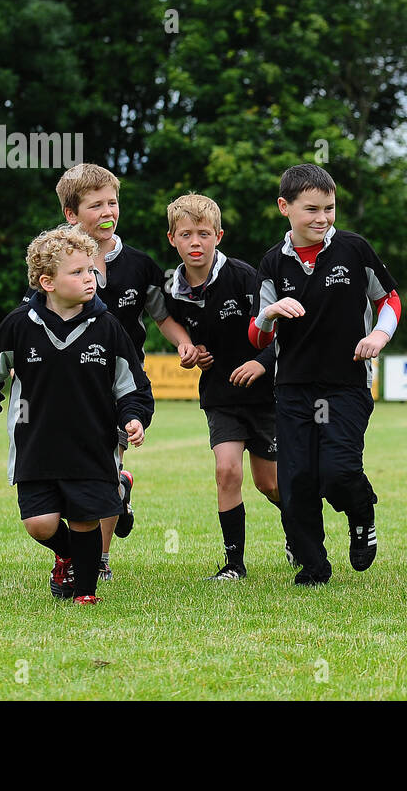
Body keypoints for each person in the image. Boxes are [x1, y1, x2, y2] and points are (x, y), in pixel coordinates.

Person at [0, 225, 153, 604]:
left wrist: (133, 417)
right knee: (39, 524)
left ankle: (85, 592)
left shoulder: (107, 327)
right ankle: (66, 554)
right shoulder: (19, 325)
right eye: (78, 272)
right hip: (35, 446)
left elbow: (131, 385)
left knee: (85, 519)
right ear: (47, 282)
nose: (90, 278)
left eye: (91, 270)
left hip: (91, 445)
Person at [251, 163, 401, 586]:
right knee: (296, 478)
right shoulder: (272, 263)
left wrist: (379, 334)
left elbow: (390, 298)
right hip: (293, 386)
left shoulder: (354, 249)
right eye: (311, 209)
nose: (322, 218)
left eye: (329, 209)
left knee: (337, 470)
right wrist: (270, 312)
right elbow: (258, 336)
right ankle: (313, 564)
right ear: (285, 207)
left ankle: (361, 513)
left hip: (346, 383)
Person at [54, 163, 198, 581]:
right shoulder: (58, 261)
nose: (107, 211)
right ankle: (112, 501)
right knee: (70, 471)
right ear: (71, 215)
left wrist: (183, 343)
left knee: (103, 469)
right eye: (95, 204)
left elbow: (161, 315)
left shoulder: (139, 264)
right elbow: (37, 320)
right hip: (69, 387)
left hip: (122, 386)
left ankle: (97, 559)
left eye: (112, 202)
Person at [161, 193, 283, 581]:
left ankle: (301, 536)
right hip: (220, 396)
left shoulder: (246, 277)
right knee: (227, 471)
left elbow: (282, 334)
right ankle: (234, 564)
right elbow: (176, 330)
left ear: (219, 236)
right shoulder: (173, 288)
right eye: (185, 235)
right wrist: (189, 350)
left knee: (271, 484)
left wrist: (260, 364)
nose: (195, 242)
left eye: (203, 234)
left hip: (265, 397)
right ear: (172, 239)